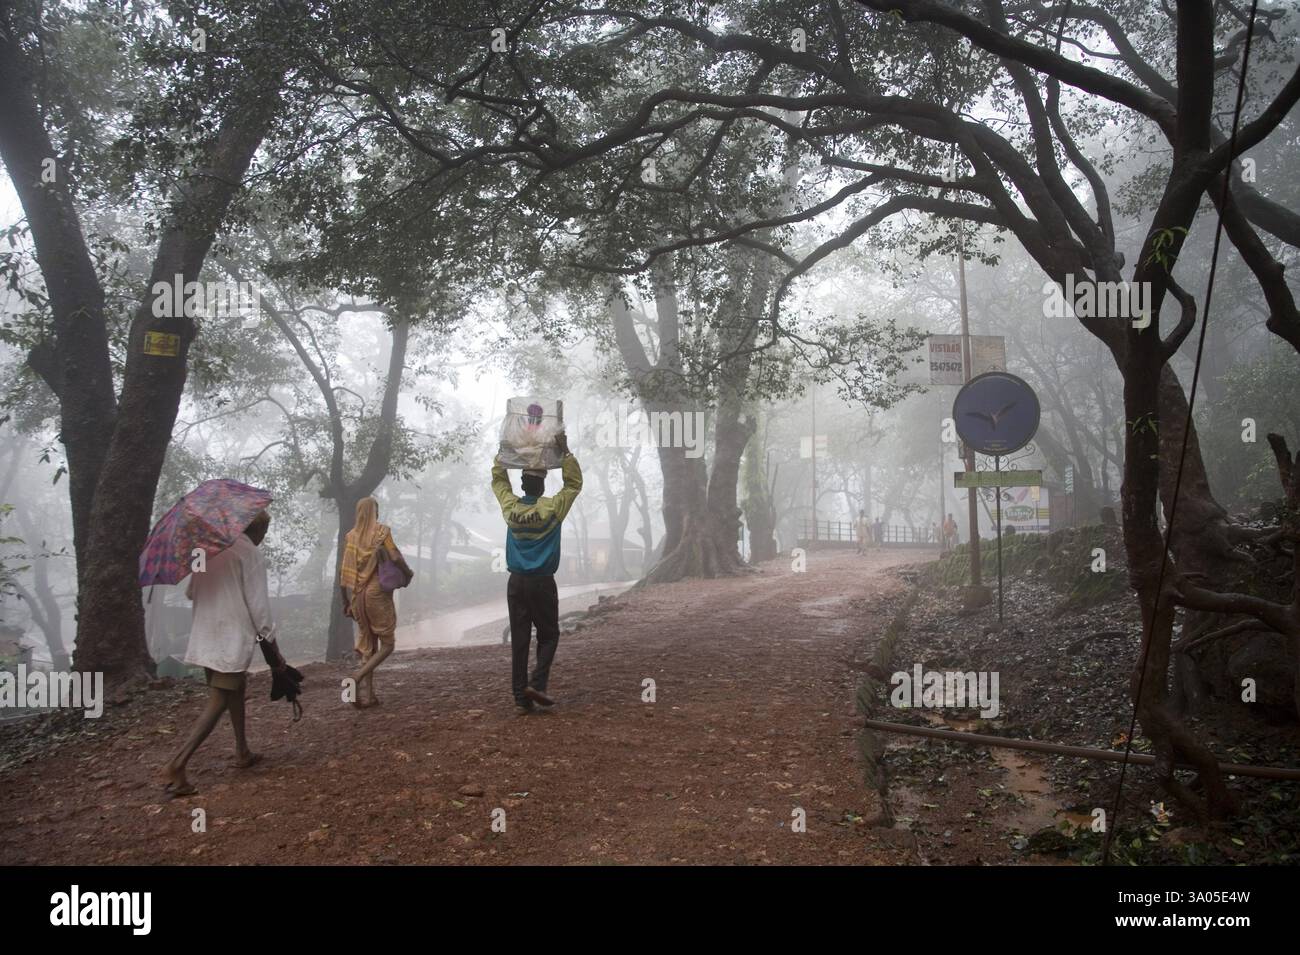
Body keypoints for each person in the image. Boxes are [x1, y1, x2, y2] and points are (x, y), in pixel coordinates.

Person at [162, 509, 283, 797]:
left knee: (235, 690)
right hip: (230, 637)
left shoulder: (207, 550)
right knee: (219, 700)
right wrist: (273, 648)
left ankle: (242, 751)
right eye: (263, 534)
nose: (262, 539)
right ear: (255, 531)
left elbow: (191, 592)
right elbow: (259, 607)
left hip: (205, 635)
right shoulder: (249, 552)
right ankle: (177, 764)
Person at [491, 432, 582, 715]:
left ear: (523, 483)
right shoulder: (553, 508)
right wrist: (566, 453)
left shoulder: (511, 508)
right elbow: (574, 484)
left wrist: (503, 454)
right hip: (542, 583)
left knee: (519, 639)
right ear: (542, 485)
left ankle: (521, 697)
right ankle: (537, 683)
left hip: (515, 583)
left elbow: (498, 481)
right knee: (549, 635)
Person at [339, 497, 412, 709]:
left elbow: (344, 573)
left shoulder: (351, 537)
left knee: (368, 646)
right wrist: (408, 574)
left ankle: (368, 697)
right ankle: (356, 677)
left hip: (357, 597)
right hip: (376, 594)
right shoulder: (381, 532)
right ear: (373, 513)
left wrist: (346, 602)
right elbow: (396, 558)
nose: (378, 514)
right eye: (376, 510)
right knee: (388, 644)